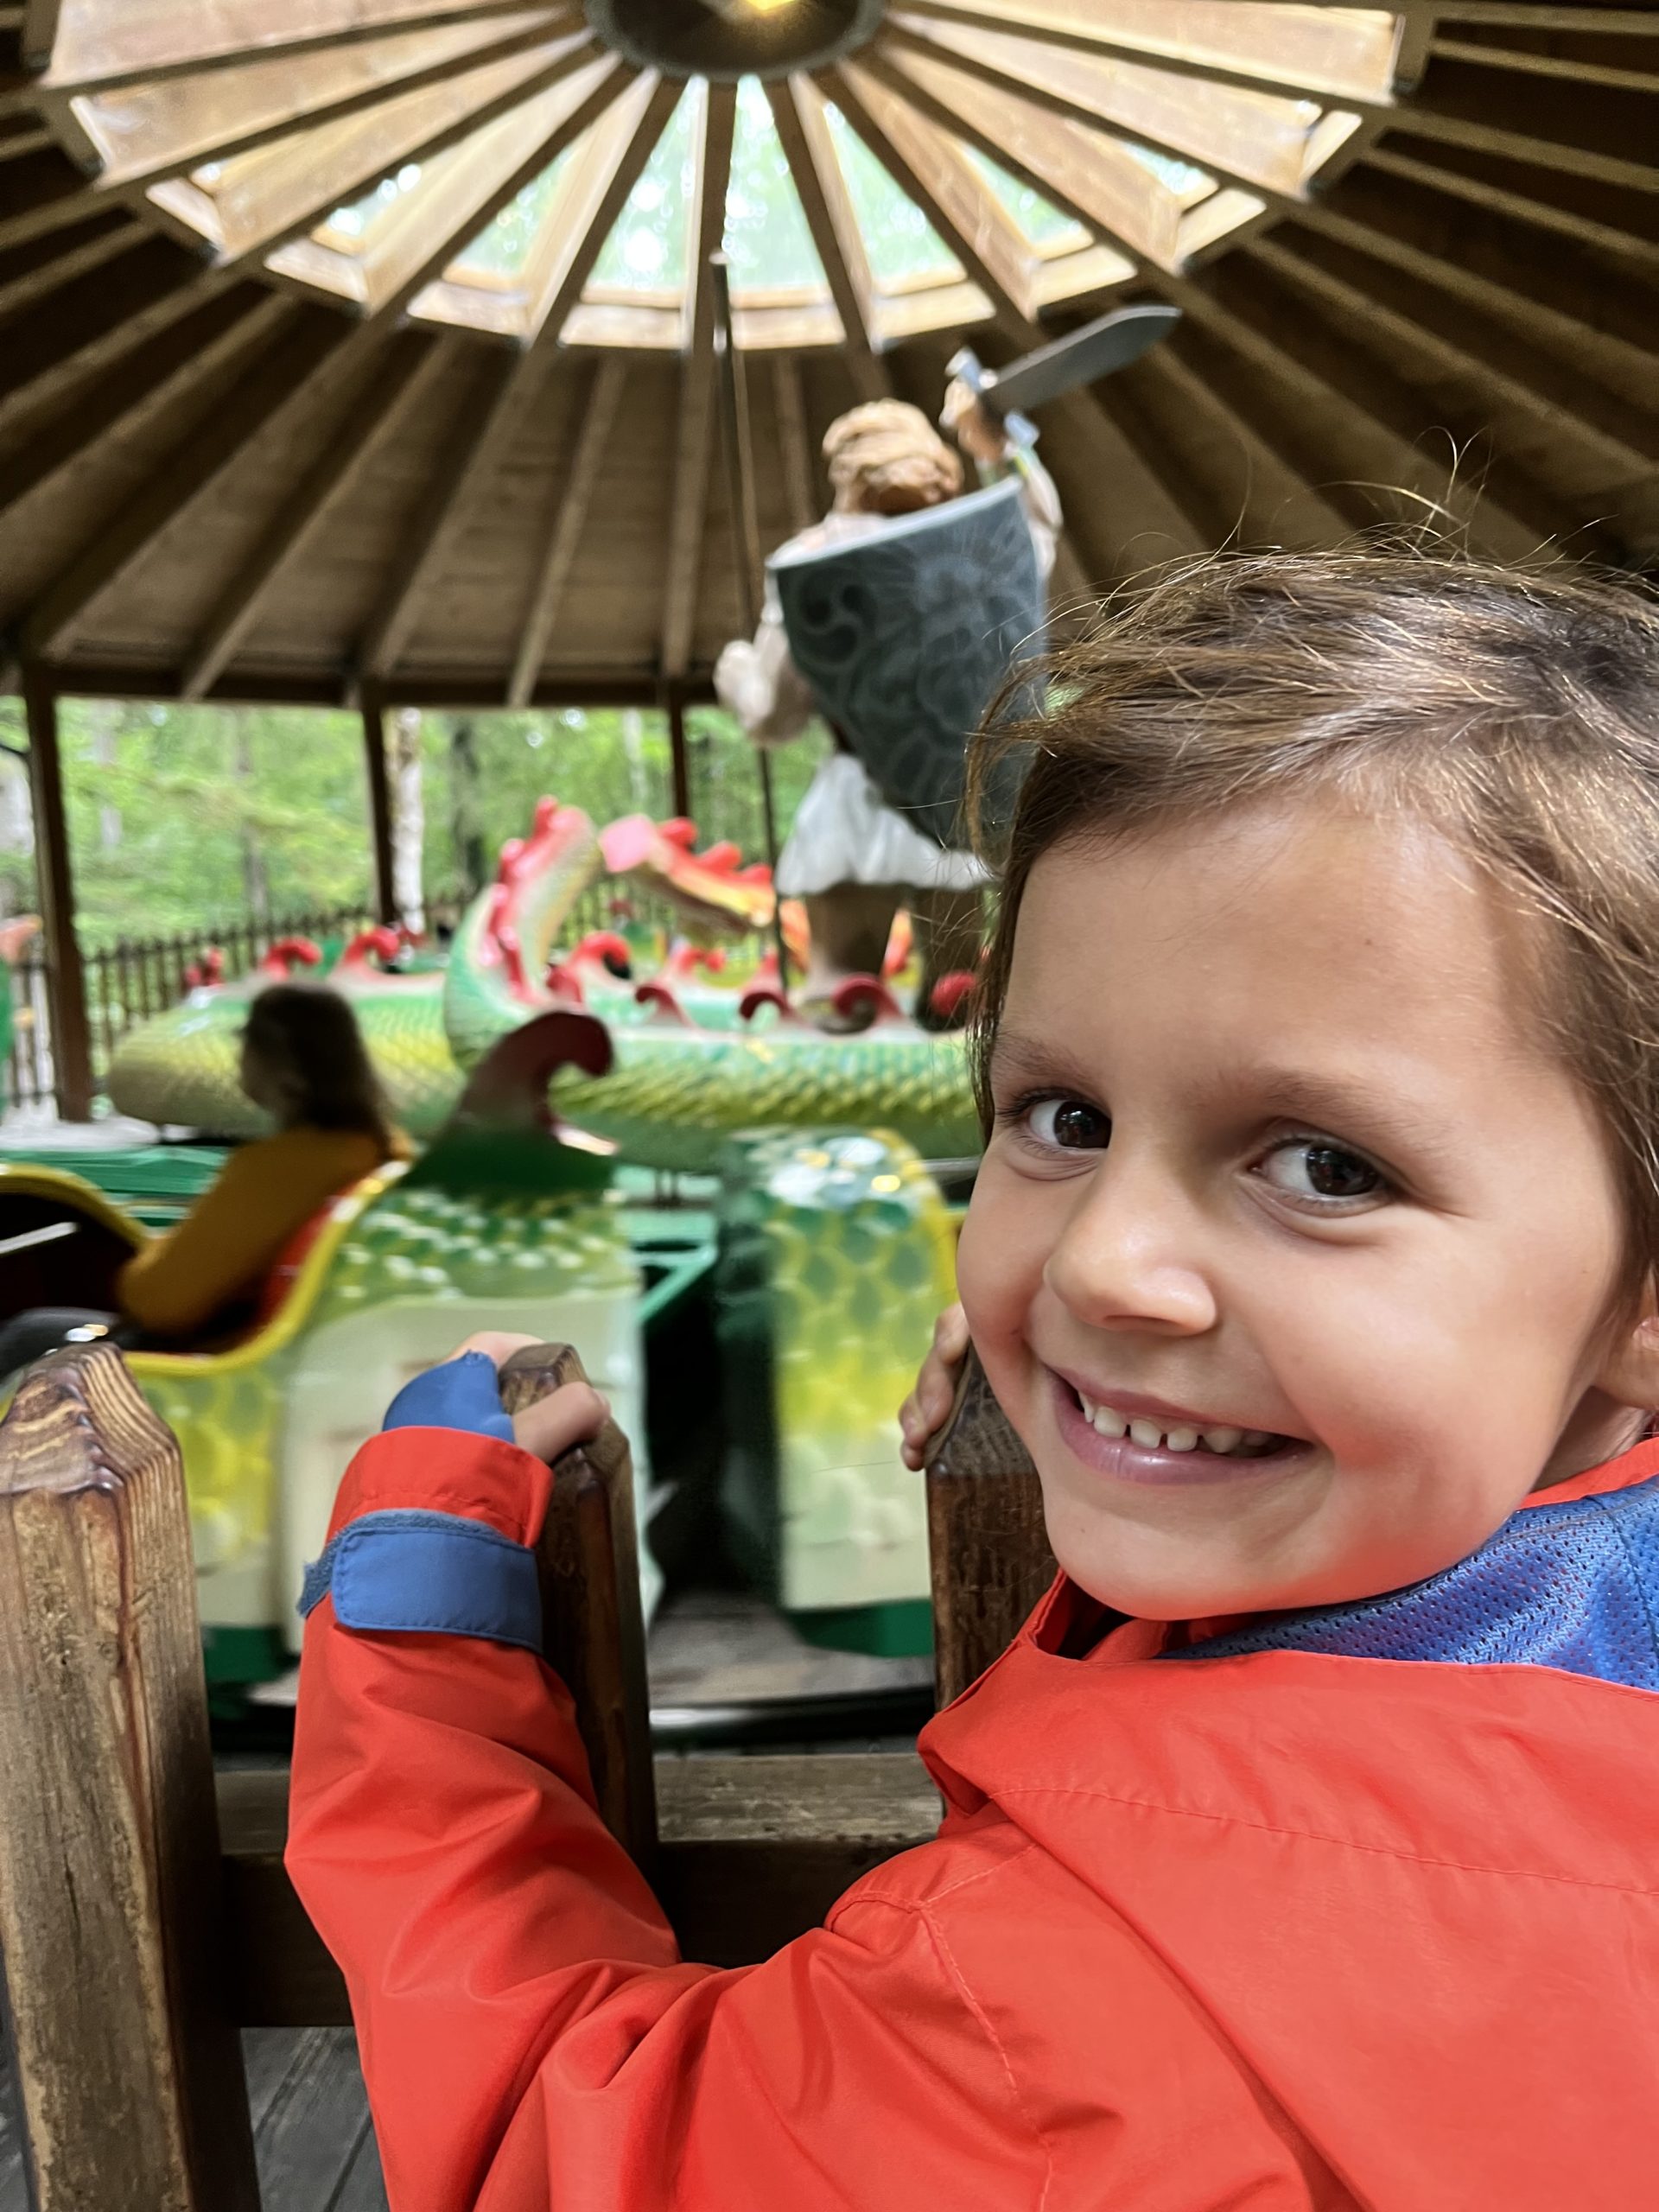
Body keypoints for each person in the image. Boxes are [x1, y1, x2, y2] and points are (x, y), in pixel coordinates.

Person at [287, 551, 1659, 2209]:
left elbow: (560, 2151)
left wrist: (414, 1642)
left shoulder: (1031, 2018)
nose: (1095, 1271)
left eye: (1326, 1166)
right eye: (1065, 1121)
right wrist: (1207, 1367)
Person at [715, 389, 1060, 1025]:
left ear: (846, 473)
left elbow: (773, 717)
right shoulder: (981, 546)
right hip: (964, 803)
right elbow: (1039, 524)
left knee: (837, 995)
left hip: (859, 801)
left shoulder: (814, 559)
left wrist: (733, 670)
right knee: (958, 1002)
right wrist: (1002, 446)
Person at [0, 983, 407, 1373]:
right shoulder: (381, 1150)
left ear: (281, 1067)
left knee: (26, 1333)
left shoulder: (276, 1166)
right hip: (302, 1351)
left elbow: (159, 1303)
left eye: (246, 1045)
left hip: (221, 1364)